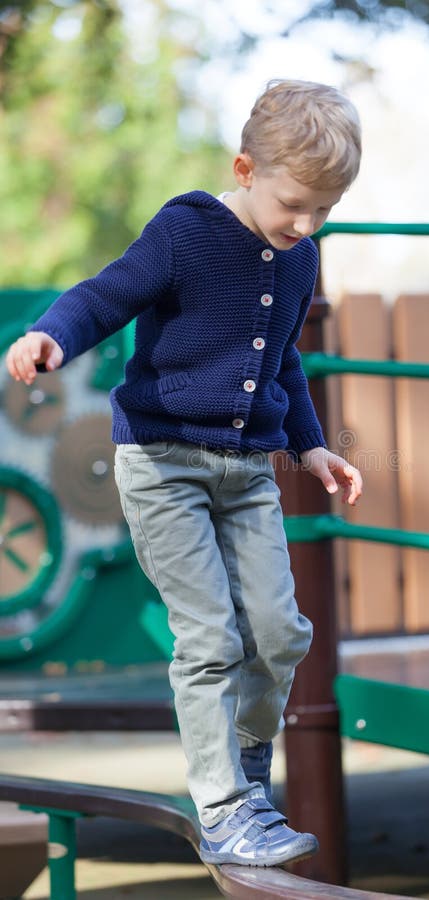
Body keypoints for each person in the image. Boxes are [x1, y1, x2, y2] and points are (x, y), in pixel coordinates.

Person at [6, 79, 363, 867]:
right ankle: (224, 805)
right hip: (162, 467)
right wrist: (50, 336)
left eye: (325, 211)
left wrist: (310, 446)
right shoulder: (185, 232)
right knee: (209, 638)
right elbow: (107, 294)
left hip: (248, 473)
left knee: (279, 632)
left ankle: (246, 768)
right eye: (296, 205)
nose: (307, 226)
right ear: (245, 168)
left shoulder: (299, 259)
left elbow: (285, 363)